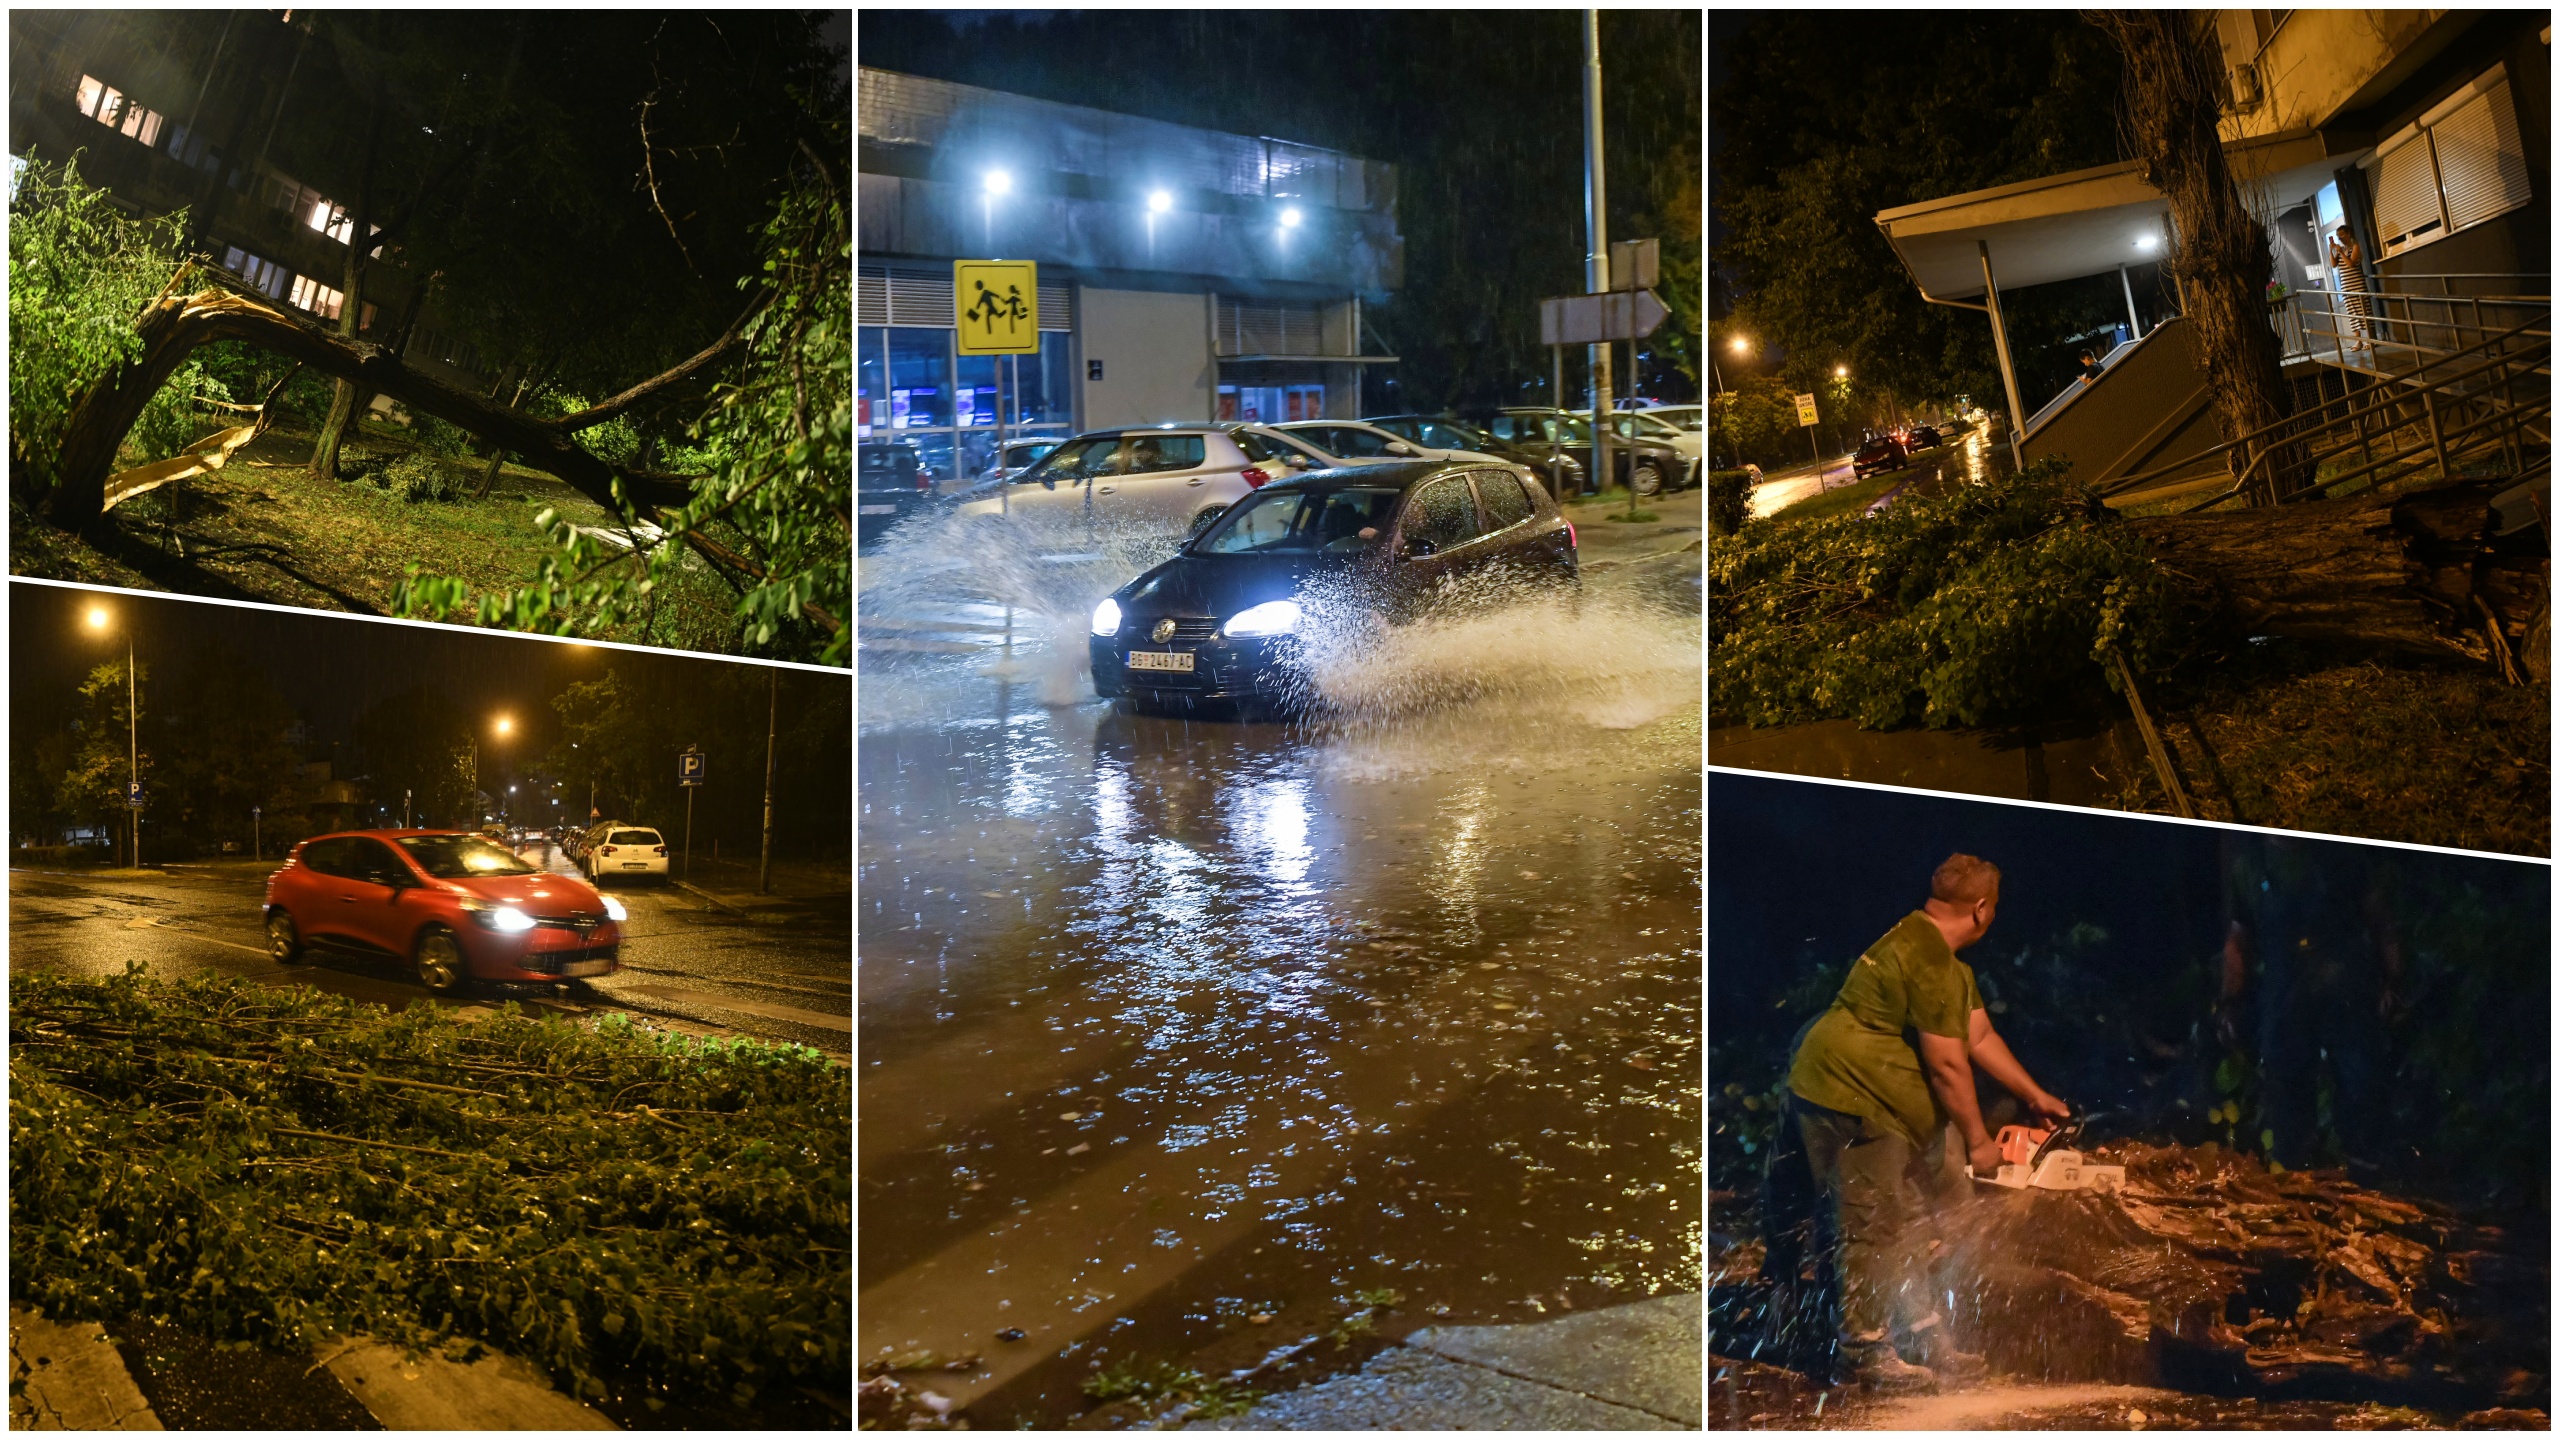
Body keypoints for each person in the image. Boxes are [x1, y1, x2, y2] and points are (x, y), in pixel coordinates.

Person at [1781, 854, 2071, 1393]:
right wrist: (1981, 1143)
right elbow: (1946, 1064)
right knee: (1868, 1222)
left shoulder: (1936, 954)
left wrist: (2035, 1096)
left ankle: (1916, 1332)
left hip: (1860, 1089)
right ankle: (1861, 1351)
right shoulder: (1931, 959)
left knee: (1909, 1216)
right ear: (1982, 909)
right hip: (1854, 1095)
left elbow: (1978, 1037)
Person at [2219, 834, 2399, 1174]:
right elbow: (2239, 938)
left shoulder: (2341, 854)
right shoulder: (2251, 864)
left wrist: (2394, 980)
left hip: (2345, 991)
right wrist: (2229, 1002)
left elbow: (2379, 918)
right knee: (2287, 1093)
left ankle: (2366, 1177)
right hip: (2283, 994)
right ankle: (2297, 1182)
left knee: (2361, 1084)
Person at [2329, 230, 2373, 352]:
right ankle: (2358, 340)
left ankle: (2370, 339)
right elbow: (2333, 265)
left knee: (2364, 312)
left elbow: (2351, 264)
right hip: (2346, 287)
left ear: (2349, 234)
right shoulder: (2341, 249)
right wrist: (2331, 250)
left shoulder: (2355, 247)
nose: (2340, 238)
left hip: (2357, 285)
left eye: (2342, 234)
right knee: (2353, 314)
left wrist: (2340, 252)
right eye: (2338, 236)